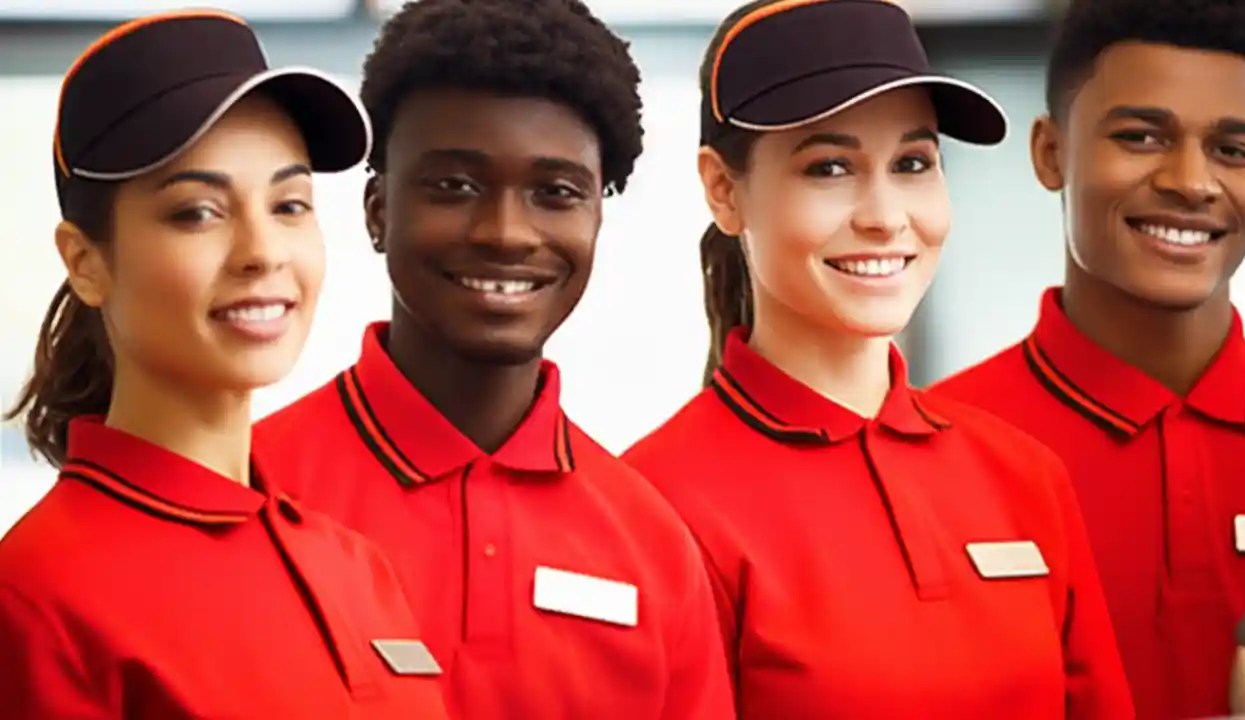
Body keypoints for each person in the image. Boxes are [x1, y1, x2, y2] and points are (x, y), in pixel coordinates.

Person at [622, 0, 1134, 717]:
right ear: (723, 190)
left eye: (913, 163)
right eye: (829, 167)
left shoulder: (1026, 479)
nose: (886, 217)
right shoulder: (652, 507)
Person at [251, 1, 734, 717]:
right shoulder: (250, 491)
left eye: (555, 193)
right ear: (377, 210)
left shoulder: (653, 543)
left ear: (596, 221)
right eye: (455, 186)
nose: (507, 233)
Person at [0, 11, 449, 719]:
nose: (261, 251)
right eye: (197, 213)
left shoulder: (357, 567)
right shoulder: (35, 599)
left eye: (289, 205)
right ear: (85, 263)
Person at [928, 0, 1245, 715]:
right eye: (1141, 137)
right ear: (1049, 152)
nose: (1191, 181)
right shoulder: (931, 450)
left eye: (1234, 150)